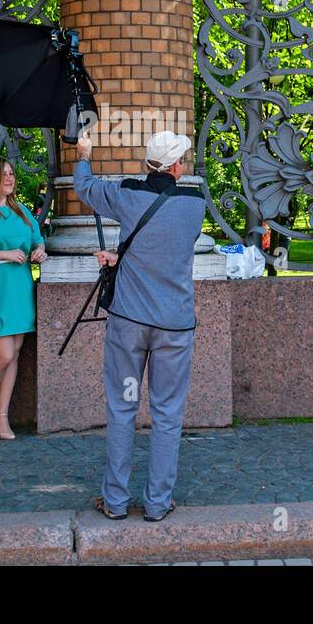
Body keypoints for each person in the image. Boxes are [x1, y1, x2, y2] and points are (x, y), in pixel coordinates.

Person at [73, 128, 205, 522]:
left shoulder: (127, 195)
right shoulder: (194, 203)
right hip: (174, 327)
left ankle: (114, 502)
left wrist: (84, 153)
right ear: (176, 166)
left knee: (122, 408)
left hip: (129, 324)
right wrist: (125, 258)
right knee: (167, 413)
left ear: (150, 163)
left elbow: (85, 187)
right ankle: (158, 504)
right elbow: (167, 251)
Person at [0, 158, 47, 440]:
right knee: (2, 354)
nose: (10, 178)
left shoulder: (23, 211)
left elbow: (38, 239)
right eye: (4, 174)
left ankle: (1, 414)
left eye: (12, 173)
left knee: (13, 354)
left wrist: (40, 251)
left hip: (21, 286)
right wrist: (4, 254)